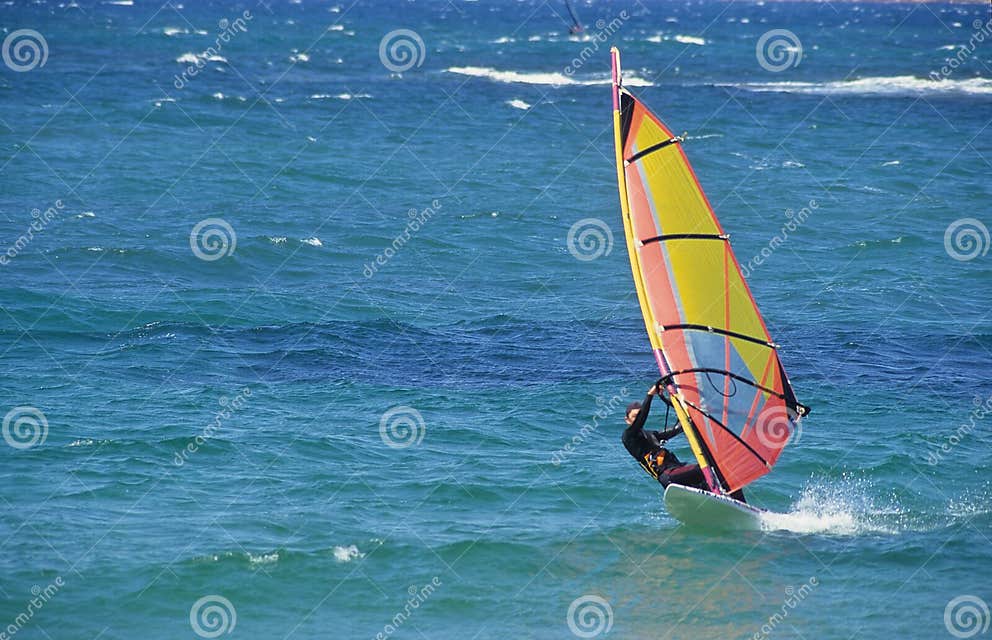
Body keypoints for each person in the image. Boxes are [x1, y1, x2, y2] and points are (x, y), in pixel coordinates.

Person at [621, 383, 709, 491]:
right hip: (668, 476)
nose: (637, 418)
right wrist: (650, 395)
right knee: (704, 470)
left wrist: (666, 399)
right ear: (627, 420)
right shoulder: (628, 437)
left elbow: (678, 428)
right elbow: (641, 419)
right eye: (634, 416)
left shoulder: (651, 435)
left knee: (707, 479)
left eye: (638, 415)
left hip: (678, 470)